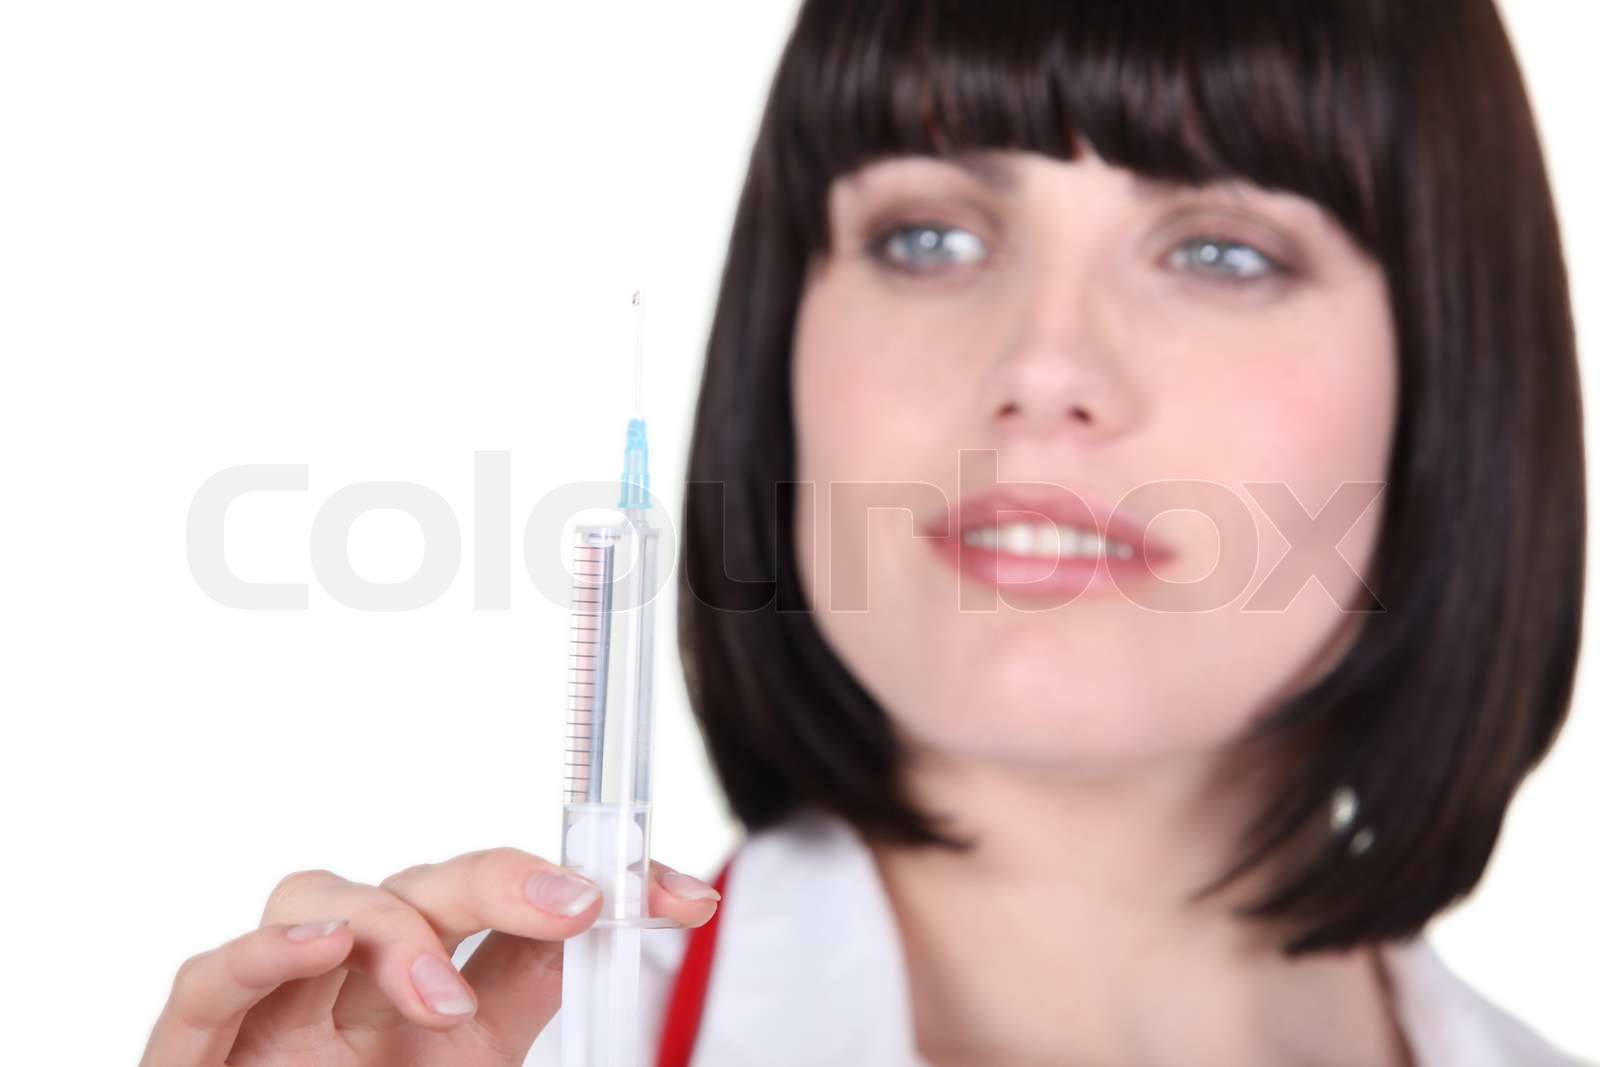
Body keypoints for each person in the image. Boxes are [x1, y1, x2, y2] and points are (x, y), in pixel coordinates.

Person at [141, 1, 1594, 1065]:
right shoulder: (533, 1050)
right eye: (929, 237)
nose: (1042, 365)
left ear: (1453, 382)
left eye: (1219, 250)